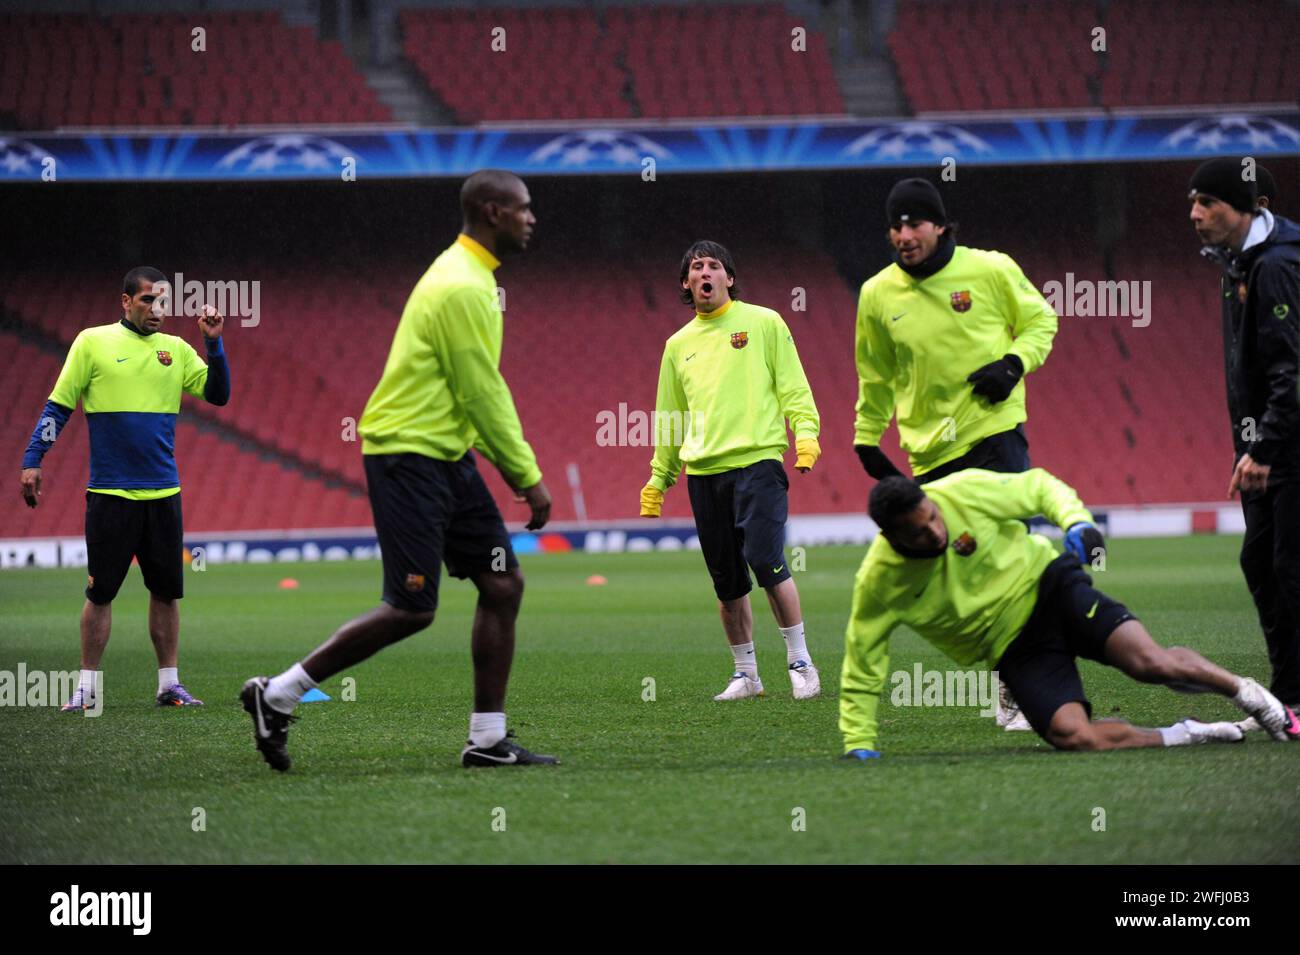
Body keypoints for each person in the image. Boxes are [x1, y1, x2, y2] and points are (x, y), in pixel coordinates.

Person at [240, 170, 555, 771]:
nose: (531, 218)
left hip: (446, 454)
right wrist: (525, 475)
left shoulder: (470, 277)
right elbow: (479, 390)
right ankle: (275, 695)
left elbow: (473, 392)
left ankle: (487, 742)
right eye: (523, 208)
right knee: (412, 608)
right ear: (493, 212)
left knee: (502, 583)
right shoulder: (462, 285)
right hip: (408, 454)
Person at [839, 469, 1300, 760]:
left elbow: (1038, 487)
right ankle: (1190, 735)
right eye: (919, 534)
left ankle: (1254, 698)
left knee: (1148, 663)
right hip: (1013, 646)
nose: (936, 532)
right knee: (1071, 735)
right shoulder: (879, 581)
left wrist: (1076, 521)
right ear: (891, 537)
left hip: (1050, 586)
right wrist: (858, 739)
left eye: (934, 517)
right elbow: (864, 656)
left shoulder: (960, 492)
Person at [853, 177, 1059, 729]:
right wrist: (866, 436)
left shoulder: (989, 269)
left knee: (1007, 553)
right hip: (929, 449)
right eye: (895, 225)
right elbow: (875, 375)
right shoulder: (876, 294)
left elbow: (1042, 320)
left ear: (941, 226)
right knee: (963, 567)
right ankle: (1007, 672)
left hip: (994, 432)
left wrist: (1013, 364)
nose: (904, 234)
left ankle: (1020, 686)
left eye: (915, 222)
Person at [20, 266, 230, 712]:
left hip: (162, 495)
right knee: (100, 593)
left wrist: (214, 344)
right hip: (110, 495)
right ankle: (87, 688)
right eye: (148, 301)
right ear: (125, 301)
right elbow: (58, 405)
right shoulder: (92, 342)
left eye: (163, 302)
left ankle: (169, 684)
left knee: (167, 593)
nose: (157, 310)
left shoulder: (175, 350)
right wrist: (33, 460)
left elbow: (219, 395)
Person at [639, 240, 822, 701]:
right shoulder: (677, 345)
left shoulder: (764, 322)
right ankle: (747, 675)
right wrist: (659, 478)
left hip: (758, 462)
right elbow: (670, 417)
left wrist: (806, 433)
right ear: (686, 283)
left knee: (766, 559)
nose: (705, 272)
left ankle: (800, 661)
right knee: (727, 582)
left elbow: (793, 385)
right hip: (704, 474)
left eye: (713, 266)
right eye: (696, 267)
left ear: (729, 277)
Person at [1189, 156, 1300, 717]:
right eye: (1193, 201)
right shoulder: (1240, 266)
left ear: (1248, 208)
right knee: (1262, 563)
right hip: (1264, 445)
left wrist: (1264, 449)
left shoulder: (1276, 266)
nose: (1196, 213)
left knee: (1287, 564)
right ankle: (1291, 691)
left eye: (1208, 202)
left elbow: (1292, 371)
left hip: (1288, 448)